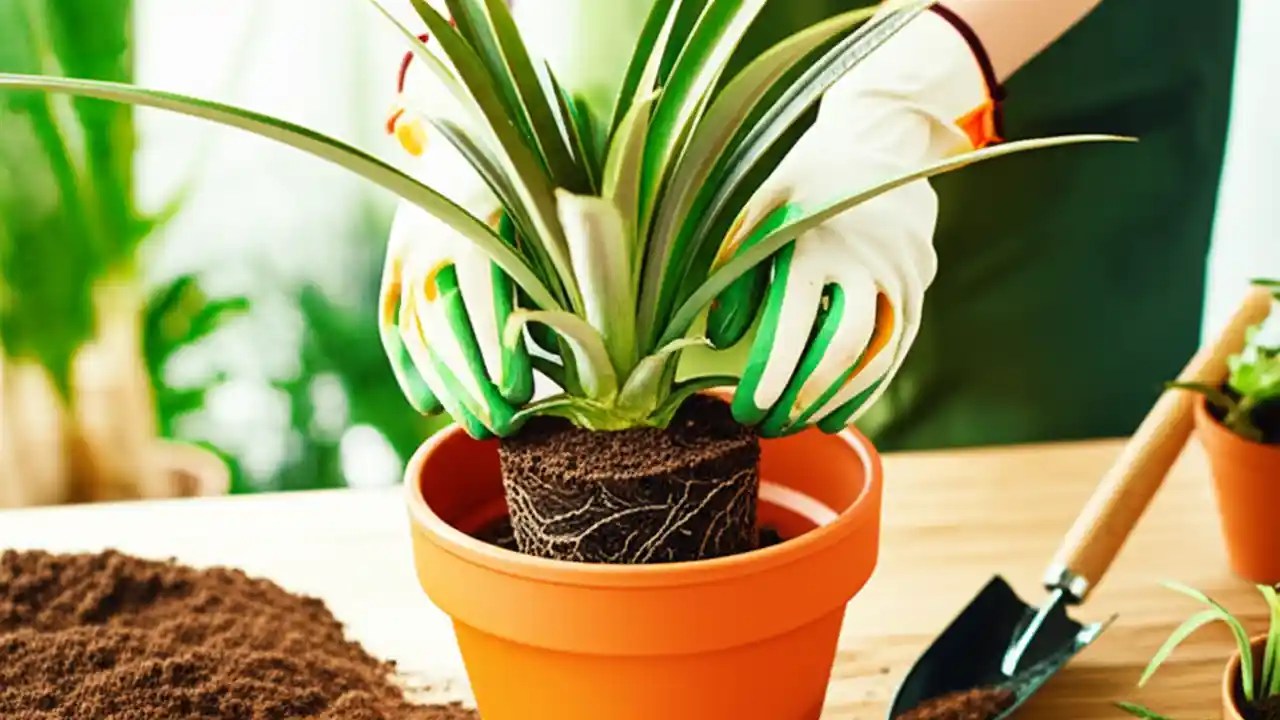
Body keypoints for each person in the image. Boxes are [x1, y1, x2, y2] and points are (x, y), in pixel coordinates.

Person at [386, 0, 1238, 449]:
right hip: (634, 62)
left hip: (1039, 73)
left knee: (1019, 486)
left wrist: (923, 83)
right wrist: (451, 77)